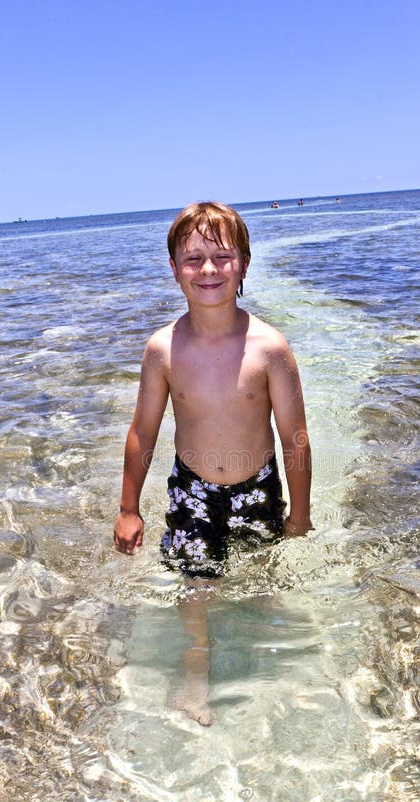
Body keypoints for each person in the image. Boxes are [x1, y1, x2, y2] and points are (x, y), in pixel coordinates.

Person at [114, 201, 312, 577]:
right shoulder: (162, 349)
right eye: (193, 259)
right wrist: (128, 509)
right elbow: (143, 432)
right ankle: (197, 640)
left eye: (223, 256)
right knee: (194, 591)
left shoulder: (269, 348)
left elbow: (295, 438)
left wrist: (300, 514)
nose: (208, 269)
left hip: (259, 487)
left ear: (244, 264)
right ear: (174, 269)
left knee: (264, 585)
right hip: (192, 490)